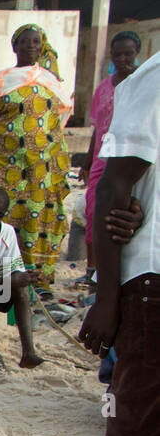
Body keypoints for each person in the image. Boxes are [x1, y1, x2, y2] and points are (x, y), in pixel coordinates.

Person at [78, 50, 160, 436]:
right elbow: (114, 192)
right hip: (152, 279)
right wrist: (107, 297)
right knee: (140, 432)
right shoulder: (155, 80)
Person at [0, 24, 73, 293]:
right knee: (8, 220)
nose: (31, 46)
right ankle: (3, 284)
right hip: (6, 168)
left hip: (42, 171)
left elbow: (59, 120)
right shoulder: (0, 80)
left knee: (39, 221)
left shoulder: (50, 81)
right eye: (25, 42)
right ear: (14, 46)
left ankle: (37, 284)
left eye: (36, 42)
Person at [83, 31, 142, 280]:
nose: (122, 59)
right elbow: (97, 129)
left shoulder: (144, 85)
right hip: (102, 160)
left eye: (127, 53)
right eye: (117, 54)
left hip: (131, 158)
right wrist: (87, 163)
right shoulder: (104, 88)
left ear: (137, 54)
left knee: (125, 213)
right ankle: (91, 270)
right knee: (93, 212)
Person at [0, 186, 42, 372]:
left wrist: (26, 278)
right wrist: (10, 281)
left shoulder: (7, 233)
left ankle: (29, 352)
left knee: (21, 289)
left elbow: (12, 272)